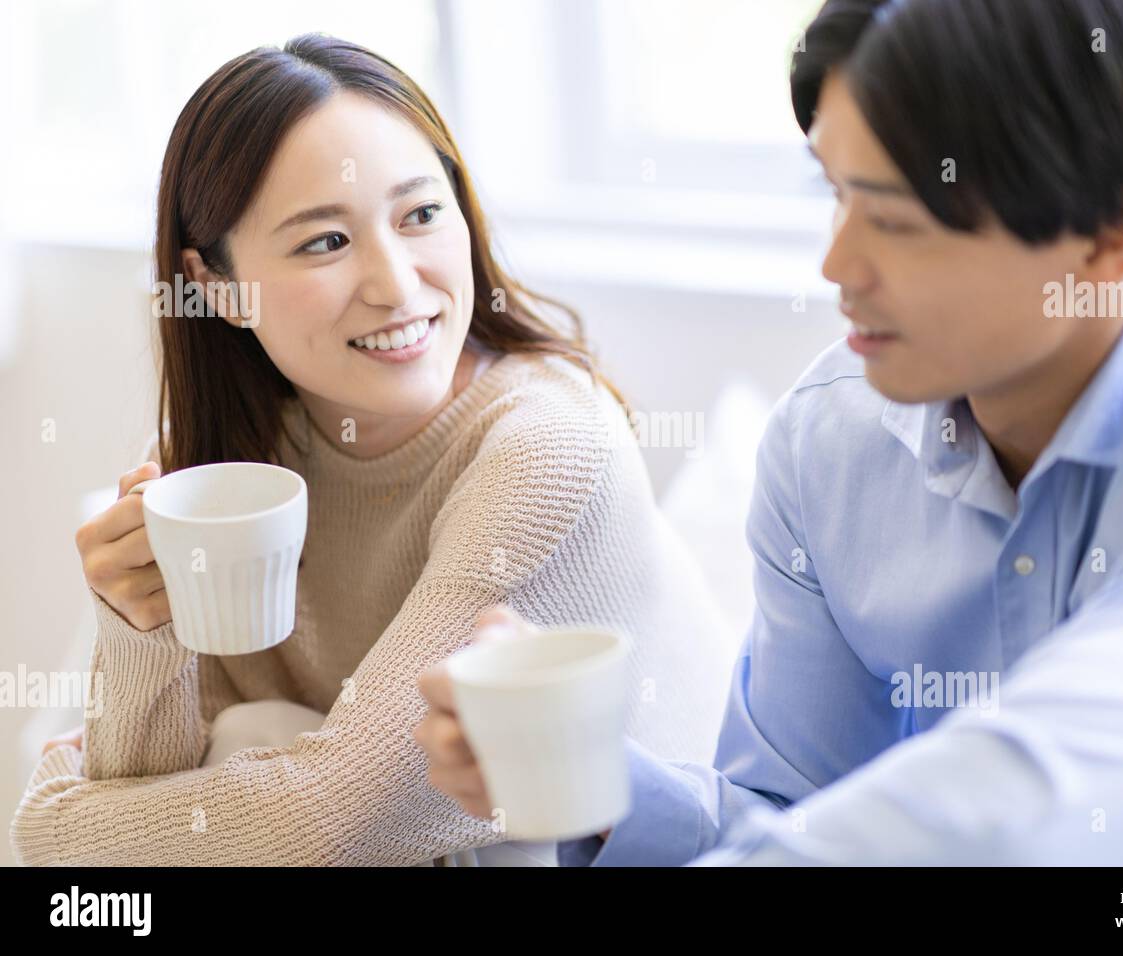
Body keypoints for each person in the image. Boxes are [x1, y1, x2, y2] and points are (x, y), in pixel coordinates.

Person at [417, 0, 1123, 866]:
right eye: (835, 194)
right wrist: (599, 790)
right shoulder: (831, 440)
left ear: (1110, 237)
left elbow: (1024, 812)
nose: (836, 265)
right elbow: (799, 816)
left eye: (896, 220)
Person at [10, 34, 735, 866]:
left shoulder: (546, 448)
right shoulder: (219, 465)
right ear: (216, 287)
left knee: (266, 738)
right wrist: (140, 631)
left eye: (420, 215)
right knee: (253, 732)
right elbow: (147, 784)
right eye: (325, 242)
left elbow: (332, 823)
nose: (395, 284)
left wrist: (49, 826)